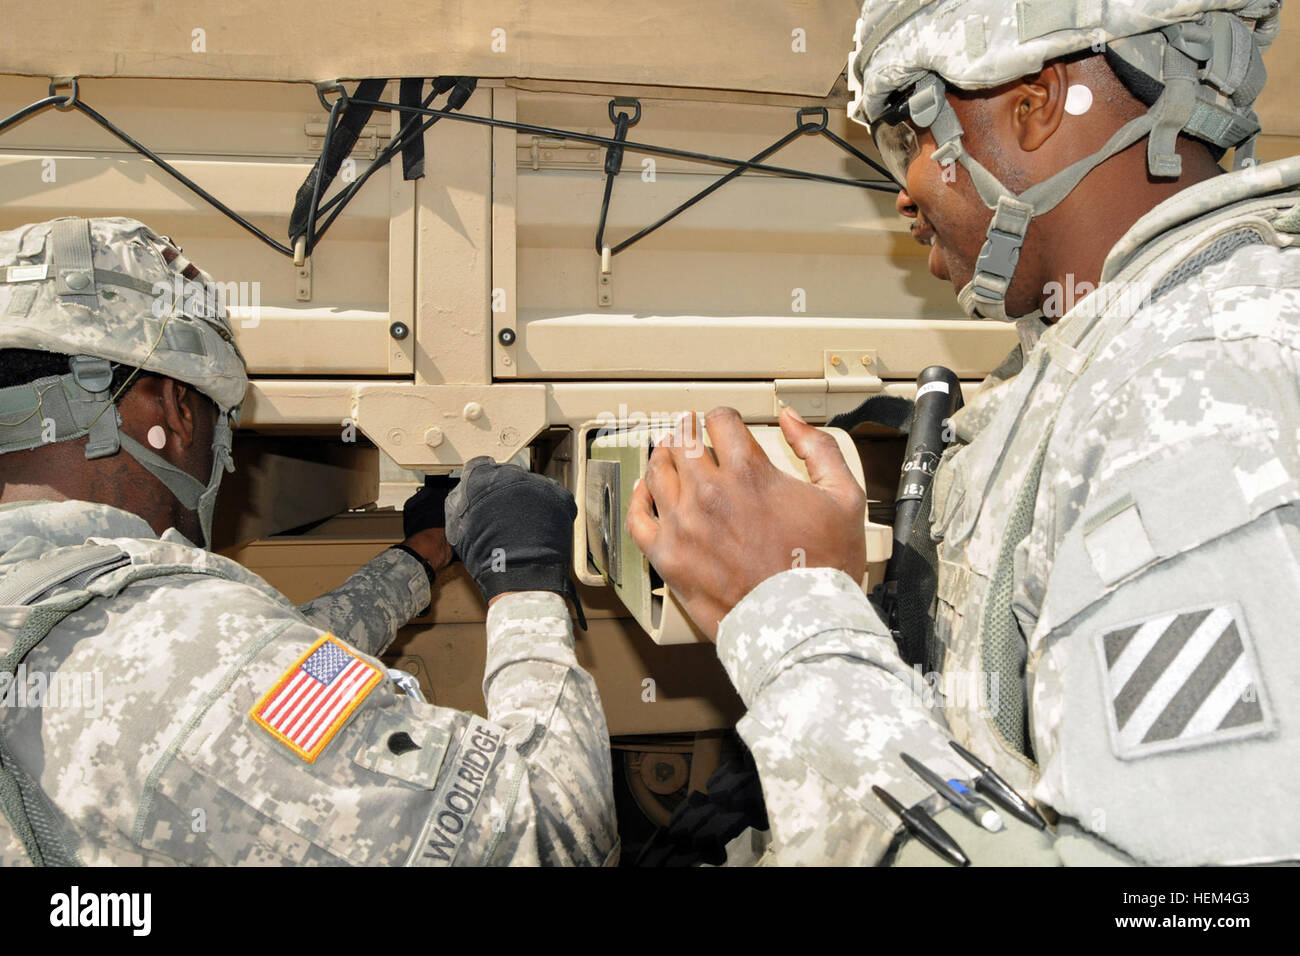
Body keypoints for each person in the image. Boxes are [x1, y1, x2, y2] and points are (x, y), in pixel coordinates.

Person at [629, 0, 1300, 865]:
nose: (902, 193)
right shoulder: (1087, 362)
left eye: (909, 133)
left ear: (1036, 101)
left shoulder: (1205, 394)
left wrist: (794, 622)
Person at [0, 216, 616, 866]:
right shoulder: (190, 665)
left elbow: (275, 671)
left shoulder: (56, 604)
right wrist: (524, 581)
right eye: (219, 423)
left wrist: (421, 556)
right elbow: (554, 836)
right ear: (176, 409)